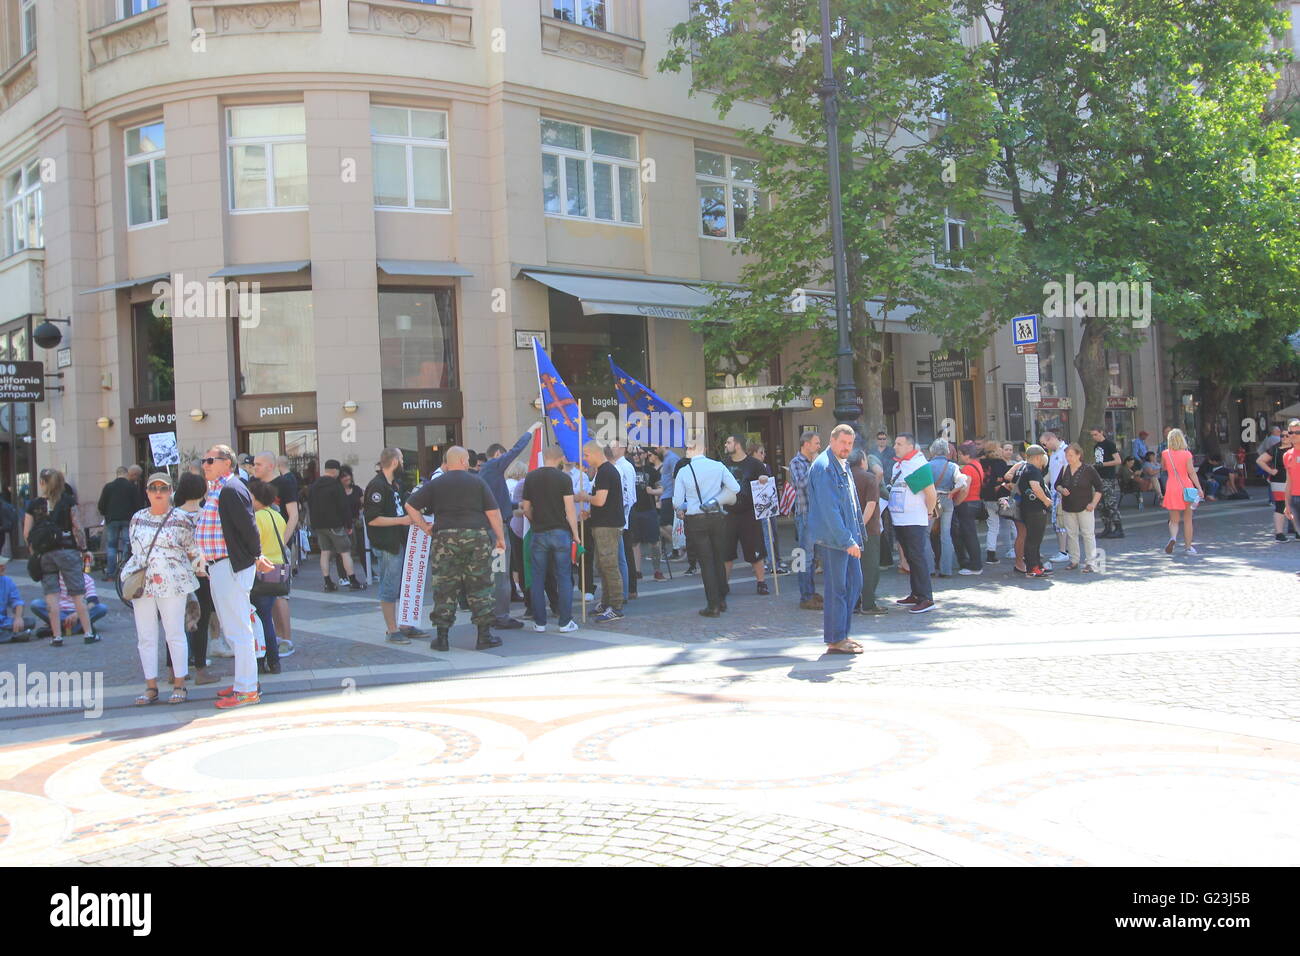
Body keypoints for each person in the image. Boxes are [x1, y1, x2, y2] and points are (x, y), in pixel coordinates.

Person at [405, 446, 506, 651]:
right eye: (467, 460)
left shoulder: (437, 483)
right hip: (476, 537)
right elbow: (493, 512)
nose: (469, 463)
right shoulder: (478, 481)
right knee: (481, 586)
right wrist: (500, 538)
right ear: (462, 461)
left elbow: (410, 506)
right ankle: (484, 636)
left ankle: (442, 638)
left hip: (445, 538)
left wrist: (424, 527)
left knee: (444, 587)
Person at [198, 445, 274, 709]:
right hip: (220, 566)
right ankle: (244, 682)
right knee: (233, 629)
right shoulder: (220, 488)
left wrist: (255, 554)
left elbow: (248, 525)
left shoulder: (231, 488)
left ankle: (247, 689)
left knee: (240, 630)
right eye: (204, 460)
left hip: (230, 566)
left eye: (210, 460)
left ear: (226, 463)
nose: (205, 464)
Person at [123, 472, 203, 705]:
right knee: (145, 635)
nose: (158, 493)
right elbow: (135, 548)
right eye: (153, 488)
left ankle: (180, 684)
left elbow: (192, 547)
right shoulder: (137, 518)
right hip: (143, 583)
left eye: (163, 488)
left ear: (171, 491)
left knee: (174, 633)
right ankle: (150, 686)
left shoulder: (181, 518)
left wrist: (200, 565)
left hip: (173, 581)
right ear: (147, 492)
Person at [807, 424, 865, 652]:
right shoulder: (824, 467)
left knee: (853, 584)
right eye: (842, 442)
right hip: (835, 540)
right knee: (838, 588)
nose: (846, 448)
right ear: (831, 441)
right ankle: (836, 638)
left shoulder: (840, 463)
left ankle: (841, 634)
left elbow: (849, 503)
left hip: (845, 537)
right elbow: (830, 510)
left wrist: (854, 536)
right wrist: (847, 540)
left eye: (850, 444)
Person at [24, 469, 98, 647]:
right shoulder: (67, 501)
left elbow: (27, 532)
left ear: (42, 482)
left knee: (51, 595)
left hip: (45, 554)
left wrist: (34, 553)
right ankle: (88, 633)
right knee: (78, 593)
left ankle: (57, 636)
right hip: (67, 551)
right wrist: (84, 549)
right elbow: (77, 527)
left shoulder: (34, 505)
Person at [479, 426, 542, 631]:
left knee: (495, 573)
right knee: (500, 574)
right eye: (504, 457)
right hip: (496, 530)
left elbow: (496, 501)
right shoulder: (494, 467)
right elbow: (516, 450)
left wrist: (516, 507)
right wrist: (530, 432)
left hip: (491, 526)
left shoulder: (487, 473)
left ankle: (492, 613)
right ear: (498, 456)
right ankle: (501, 616)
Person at [672, 434, 740, 617]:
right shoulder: (718, 466)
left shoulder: (684, 472)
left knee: (706, 562)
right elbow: (735, 488)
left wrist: (684, 506)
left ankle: (713, 604)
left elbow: (678, 501)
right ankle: (722, 599)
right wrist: (717, 500)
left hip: (696, 519)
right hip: (717, 515)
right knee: (719, 558)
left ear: (691, 449)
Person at [521, 444, 580, 633]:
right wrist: (576, 534)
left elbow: (526, 507)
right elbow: (570, 510)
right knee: (563, 576)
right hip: (561, 532)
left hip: (539, 532)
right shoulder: (564, 478)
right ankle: (565, 621)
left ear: (544, 457)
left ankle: (540, 622)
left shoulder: (531, 477)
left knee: (538, 577)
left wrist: (534, 520)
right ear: (561, 458)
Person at [173, 471, 218, 685]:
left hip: (177, 574)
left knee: (175, 622)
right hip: (201, 572)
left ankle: (173, 670)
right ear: (202, 491)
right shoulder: (206, 515)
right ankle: (200, 670)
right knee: (201, 619)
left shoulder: (172, 516)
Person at [252, 453, 297, 657]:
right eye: (254, 464)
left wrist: (282, 542)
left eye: (259, 464)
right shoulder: (253, 484)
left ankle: (286, 639)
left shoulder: (284, 484)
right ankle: (274, 638)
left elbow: (294, 515)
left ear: (271, 466)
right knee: (264, 595)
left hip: (278, 547)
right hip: (260, 550)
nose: (255, 468)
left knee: (280, 595)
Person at [889, 434, 939, 614]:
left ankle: (926, 597)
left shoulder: (918, 464)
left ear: (910, 446)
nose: (895, 446)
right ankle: (916, 593)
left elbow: (930, 493)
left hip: (914, 520)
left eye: (899, 444)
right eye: (895, 443)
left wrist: (928, 512)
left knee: (917, 558)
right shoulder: (899, 465)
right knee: (910, 558)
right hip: (900, 519)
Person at [578, 441, 627, 623]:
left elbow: (600, 500)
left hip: (608, 526)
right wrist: (590, 512)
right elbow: (606, 502)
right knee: (602, 565)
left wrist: (585, 498)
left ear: (596, 453)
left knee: (609, 566)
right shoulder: (603, 472)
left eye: (586, 454)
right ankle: (606, 602)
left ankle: (615, 606)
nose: (585, 458)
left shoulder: (605, 472)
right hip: (602, 523)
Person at [307, 459, 366, 592]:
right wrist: (348, 525)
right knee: (345, 552)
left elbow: (310, 504)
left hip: (319, 525)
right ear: (335, 471)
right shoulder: (336, 485)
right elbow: (343, 506)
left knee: (325, 552)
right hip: (335, 525)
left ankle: (328, 582)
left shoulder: (314, 485)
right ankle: (353, 580)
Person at [721, 434, 770, 594]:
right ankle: (724, 584)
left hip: (749, 514)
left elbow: (767, 483)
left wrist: (764, 478)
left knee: (755, 550)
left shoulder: (754, 464)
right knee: (726, 551)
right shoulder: (723, 465)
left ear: (737, 445)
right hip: (728, 513)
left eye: (728, 442)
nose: (725, 445)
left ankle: (761, 582)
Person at [248, 479, 288, 673]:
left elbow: (254, 544)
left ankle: (265, 659)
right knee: (267, 616)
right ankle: (274, 660)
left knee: (260, 617)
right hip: (277, 569)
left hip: (261, 569)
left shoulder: (257, 517)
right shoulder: (277, 516)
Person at [848, 447, 885, 614]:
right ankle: (868, 604)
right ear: (862, 461)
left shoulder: (844, 476)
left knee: (852, 568)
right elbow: (871, 504)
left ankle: (854, 602)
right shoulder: (869, 478)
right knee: (869, 568)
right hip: (868, 529)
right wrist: (860, 526)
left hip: (847, 529)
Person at [788, 431, 823, 610]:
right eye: (816, 443)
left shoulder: (813, 463)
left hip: (817, 515)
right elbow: (801, 483)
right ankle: (805, 596)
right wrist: (816, 465)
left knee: (815, 557)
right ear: (806, 444)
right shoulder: (796, 462)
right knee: (804, 557)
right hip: (805, 514)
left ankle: (811, 591)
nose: (819, 446)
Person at [1055, 442, 1103, 572]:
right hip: (1068, 507)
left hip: (1085, 507)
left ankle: (1091, 563)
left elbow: (1099, 487)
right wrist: (1061, 489)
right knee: (1071, 534)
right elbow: (1056, 485)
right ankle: (1074, 560)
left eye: (1071, 455)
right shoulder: (1065, 469)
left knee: (1088, 535)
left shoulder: (1088, 469)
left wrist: (1093, 504)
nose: (1068, 458)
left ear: (1078, 455)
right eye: (1067, 455)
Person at [1161, 428, 1204, 555]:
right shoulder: (1187, 454)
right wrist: (1199, 488)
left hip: (1171, 487)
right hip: (1186, 487)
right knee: (1188, 519)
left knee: (1173, 520)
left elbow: (1163, 467)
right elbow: (1191, 472)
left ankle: (1173, 538)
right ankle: (1188, 547)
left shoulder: (1165, 453)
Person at [32, 571, 109, 636]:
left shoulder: (87, 579)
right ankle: (79, 627)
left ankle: (60, 629)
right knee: (36, 604)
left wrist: (78, 614)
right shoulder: (55, 578)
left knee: (101, 608)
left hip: (80, 612)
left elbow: (93, 601)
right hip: (59, 612)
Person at [1017, 446, 1054, 577]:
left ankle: (1037, 565)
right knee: (1034, 540)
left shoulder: (1023, 468)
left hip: (1028, 508)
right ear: (1038, 457)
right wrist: (1046, 500)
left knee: (1034, 539)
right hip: (1035, 508)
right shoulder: (1033, 470)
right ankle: (1033, 567)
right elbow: (1035, 487)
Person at [97, 466, 140, 580]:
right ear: (126, 474)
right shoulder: (131, 487)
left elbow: (101, 505)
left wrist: (106, 514)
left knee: (111, 546)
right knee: (127, 544)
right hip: (127, 519)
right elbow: (138, 504)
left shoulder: (108, 487)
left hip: (112, 520)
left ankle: (110, 573)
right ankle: (125, 570)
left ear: (116, 474)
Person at [608, 440, 637, 602]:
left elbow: (627, 494)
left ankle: (630, 587)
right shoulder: (617, 466)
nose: (611, 449)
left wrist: (624, 517)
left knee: (625, 553)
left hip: (624, 514)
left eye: (613, 446)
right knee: (624, 553)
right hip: (622, 514)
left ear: (621, 448)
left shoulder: (624, 466)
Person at [952, 441, 985, 575]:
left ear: (965, 454)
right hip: (976, 501)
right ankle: (975, 563)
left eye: (960, 454)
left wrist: (957, 502)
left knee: (969, 535)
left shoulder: (967, 468)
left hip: (967, 503)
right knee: (971, 534)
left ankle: (975, 565)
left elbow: (965, 489)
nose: (959, 456)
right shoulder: (977, 465)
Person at [928, 439, 959, 577]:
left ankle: (929, 568)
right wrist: (953, 492)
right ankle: (946, 569)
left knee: (925, 534)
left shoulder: (927, 465)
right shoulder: (952, 466)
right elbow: (962, 481)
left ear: (932, 450)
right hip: (947, 498)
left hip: (932, 500)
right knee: (946, 535)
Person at [1258, 430, 1296, 541]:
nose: (1284, 438)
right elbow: (1260, 460)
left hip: (1292, 480)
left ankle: (1295, 531)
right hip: (1280, 480)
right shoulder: (1276, 448)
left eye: (1286, 435)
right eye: (1282, 436)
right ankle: (1280, 534)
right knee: (1281, 506)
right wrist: (1270, 471)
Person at [1040, 431, 1071, 565]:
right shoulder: (1054, 454)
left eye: (1044, 444)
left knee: (1061, 522)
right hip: (1054, 492)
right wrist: (1039, 483)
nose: (1044, 447)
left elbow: (1068, 471)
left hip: (1061, 492)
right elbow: (1051, 474)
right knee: (1057, 522)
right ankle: (1064, 550)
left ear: (1051, 439)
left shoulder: (1066, 451)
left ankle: (1064, 551)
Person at [981, 440, 1012, 563]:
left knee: (992, 526)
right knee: (1012, 523)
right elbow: (1006, 479)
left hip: (987, 498)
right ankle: (1015, 549)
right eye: (999, 447)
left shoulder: (982, 463)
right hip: (1002, 498)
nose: (1001, 449)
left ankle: (991, 553)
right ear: (995, 450)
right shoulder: (1000, 463)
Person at [1091, 427, 1125, 539]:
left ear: (1101, 432)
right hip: (1099, 477)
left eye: (1096, 434)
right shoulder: (1096, 447)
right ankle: (1107, 527)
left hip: (1108, 478)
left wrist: (1103, 464)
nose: (1094, 437)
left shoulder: (1109, 444)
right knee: (1101, 505)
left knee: (1110, 503)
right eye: (1092, 435)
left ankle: (1118, 528)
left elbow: (1118, 460)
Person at [0, 555, 34, 641]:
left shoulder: (6, 581)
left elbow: (17, 601)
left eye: (3, 564)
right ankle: (13, 636)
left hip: (3, 622)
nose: (3, 567)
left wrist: (18, 618)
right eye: (0, 565)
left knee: (30, 622)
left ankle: (7, 634)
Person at [1278, 420, 1300, 548]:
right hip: (1295, 499)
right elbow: (1289, 480)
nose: (1293, 435)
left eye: (1297, 432)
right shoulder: (1287, 455)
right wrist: (1287, 504)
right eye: (1291, 432)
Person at [656, 446, 680, 559]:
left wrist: (676, 497)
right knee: (662, 525)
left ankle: (681, 546)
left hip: (670, 496)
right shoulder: (666, 458)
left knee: (664, 524)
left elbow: (676, 477)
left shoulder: (672, 458)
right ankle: (678, 547)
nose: (655, 449)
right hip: (665, 495)